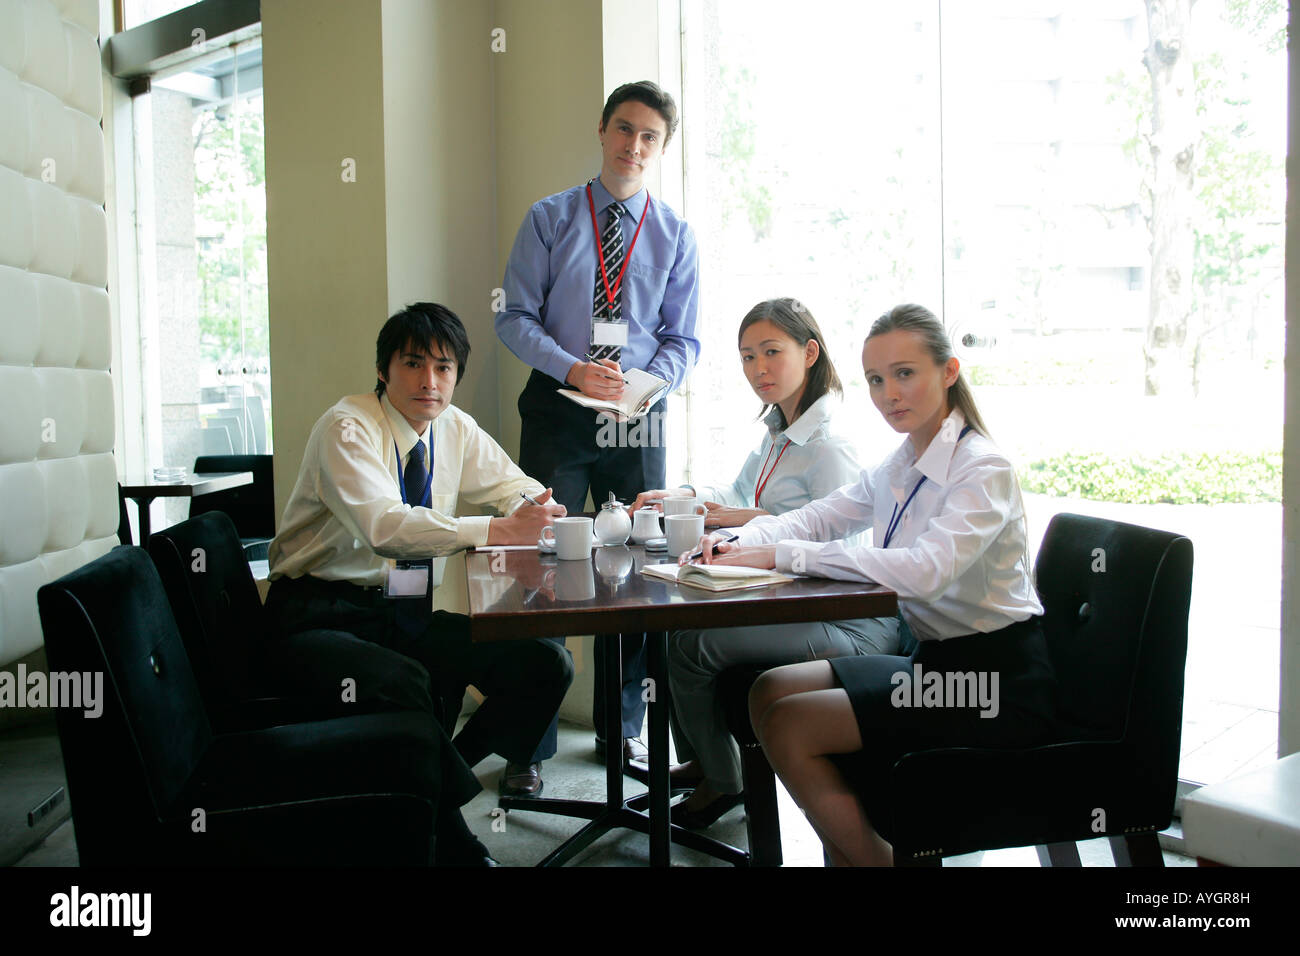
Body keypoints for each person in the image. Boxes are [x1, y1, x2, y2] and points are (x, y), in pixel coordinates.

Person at [691, 303, 1057, 865]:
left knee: (791, 722)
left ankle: (875, 862)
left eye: (905, 373)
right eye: (876, 380)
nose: (889, 393)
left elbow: (923, 570)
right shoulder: (902, 462)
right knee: (766, 691)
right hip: (933, 664)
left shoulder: (983, 468)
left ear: (949, 372)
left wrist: (783, 555)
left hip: (992, 682)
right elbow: (822, 517)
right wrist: (739, 546)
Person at [264, 302, 575, 856]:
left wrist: (537, 507)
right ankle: (452, 831)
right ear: (383, 370)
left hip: (398, 611)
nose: (429, 381)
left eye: (444, 367)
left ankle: (431, 788)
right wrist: (500, 529)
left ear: (456, 375)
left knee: (546, 664)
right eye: (412, 364)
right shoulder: (348, 427)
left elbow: (512, 484)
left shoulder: (453, 426)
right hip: (316, 614)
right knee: (408, 681)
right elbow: (385, 527)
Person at [496, 80, 701, 785]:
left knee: (644, 567)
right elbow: (513, 317)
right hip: (558, 410)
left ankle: (624, 730)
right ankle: (530, 744)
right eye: (624, 128)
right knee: (545, 565)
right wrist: (573, 369)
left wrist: (650, 384)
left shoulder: (675, 233)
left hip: (636, 419)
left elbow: (684, 340)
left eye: (649, 136)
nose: (633, 145)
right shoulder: (549, 217)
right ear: (602, 129)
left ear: (661, 148)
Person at [629, 298, 896, 829]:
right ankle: (706, 761)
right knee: (673, 627)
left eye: (772, 352)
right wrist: (681, 493)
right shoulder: (779, 430)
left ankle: (726, 782)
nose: (758, 369)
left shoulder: (830, 445)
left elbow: (830, 540)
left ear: (810, 352)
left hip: (847, 620)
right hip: (791, 603)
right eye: (748, 357)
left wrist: (742, 517)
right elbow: (734, 492)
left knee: (693, 641)